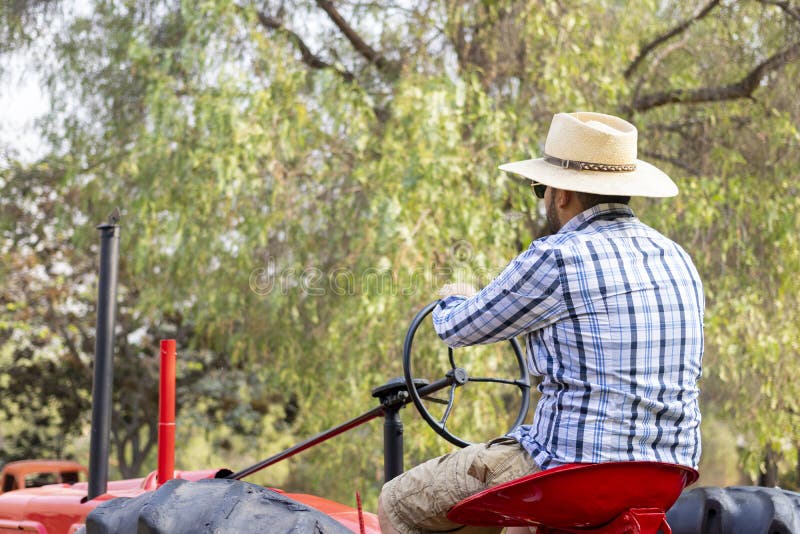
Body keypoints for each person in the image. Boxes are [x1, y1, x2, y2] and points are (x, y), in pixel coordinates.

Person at [377, 111, 704, 534]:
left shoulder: (557, 256)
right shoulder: (678, 258)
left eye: (541, 188)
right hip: (664, 478)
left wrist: (452, 296)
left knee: (397, 502)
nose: (544, 196)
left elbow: (457, 329)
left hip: (573, 474)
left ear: (562, 191)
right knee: (520, 523)